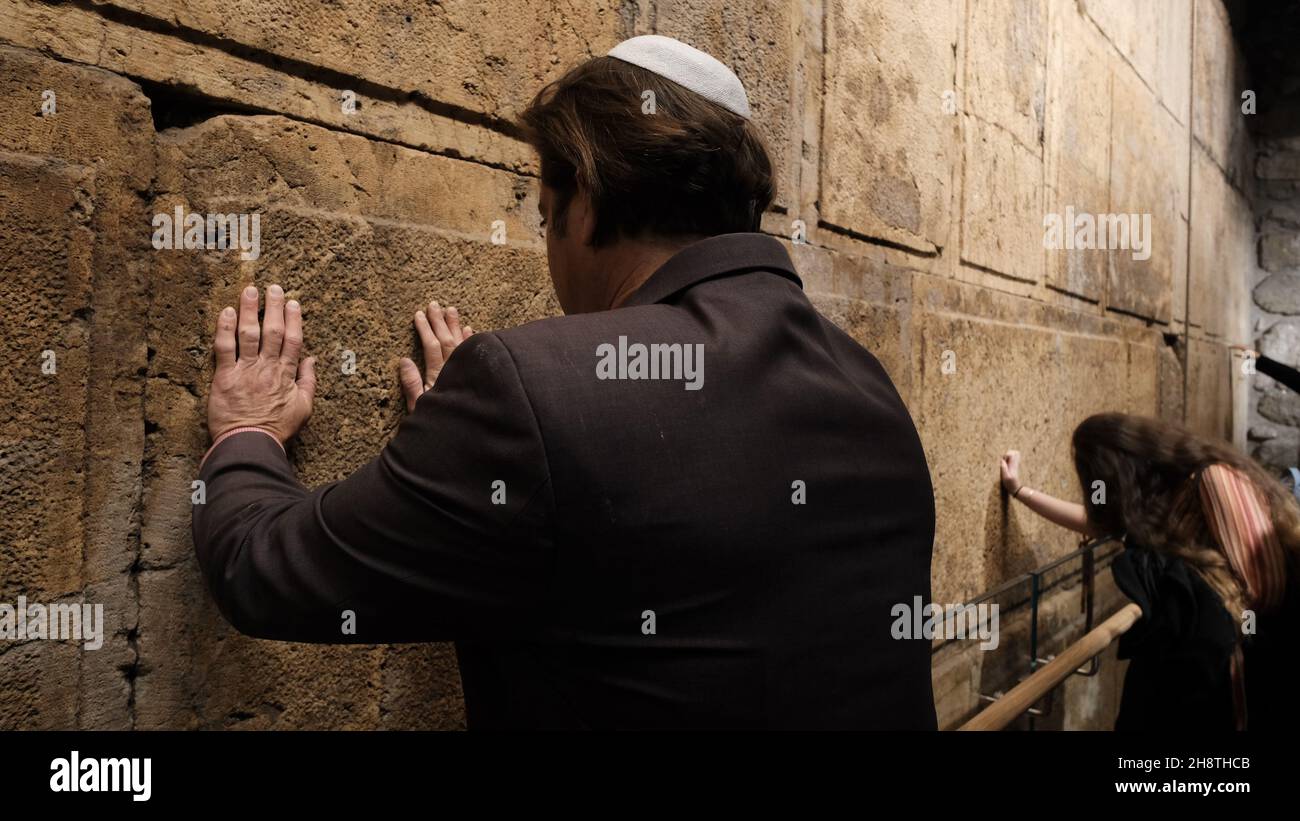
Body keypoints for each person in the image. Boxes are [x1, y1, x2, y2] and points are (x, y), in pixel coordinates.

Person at [191, 35, 938, 729]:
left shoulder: (531, 393)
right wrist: (473, 459)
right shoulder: (866, 385)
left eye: (546, 217)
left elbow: (265, 568)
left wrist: (249, 430)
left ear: (584, 199)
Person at [1000, 413, 1300, 730]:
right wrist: (1020, 490)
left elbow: (1266, 581)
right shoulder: (1166, 494)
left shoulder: (1214, 478)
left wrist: (1232, 631)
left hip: (1249, 661)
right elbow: (1102, 524)